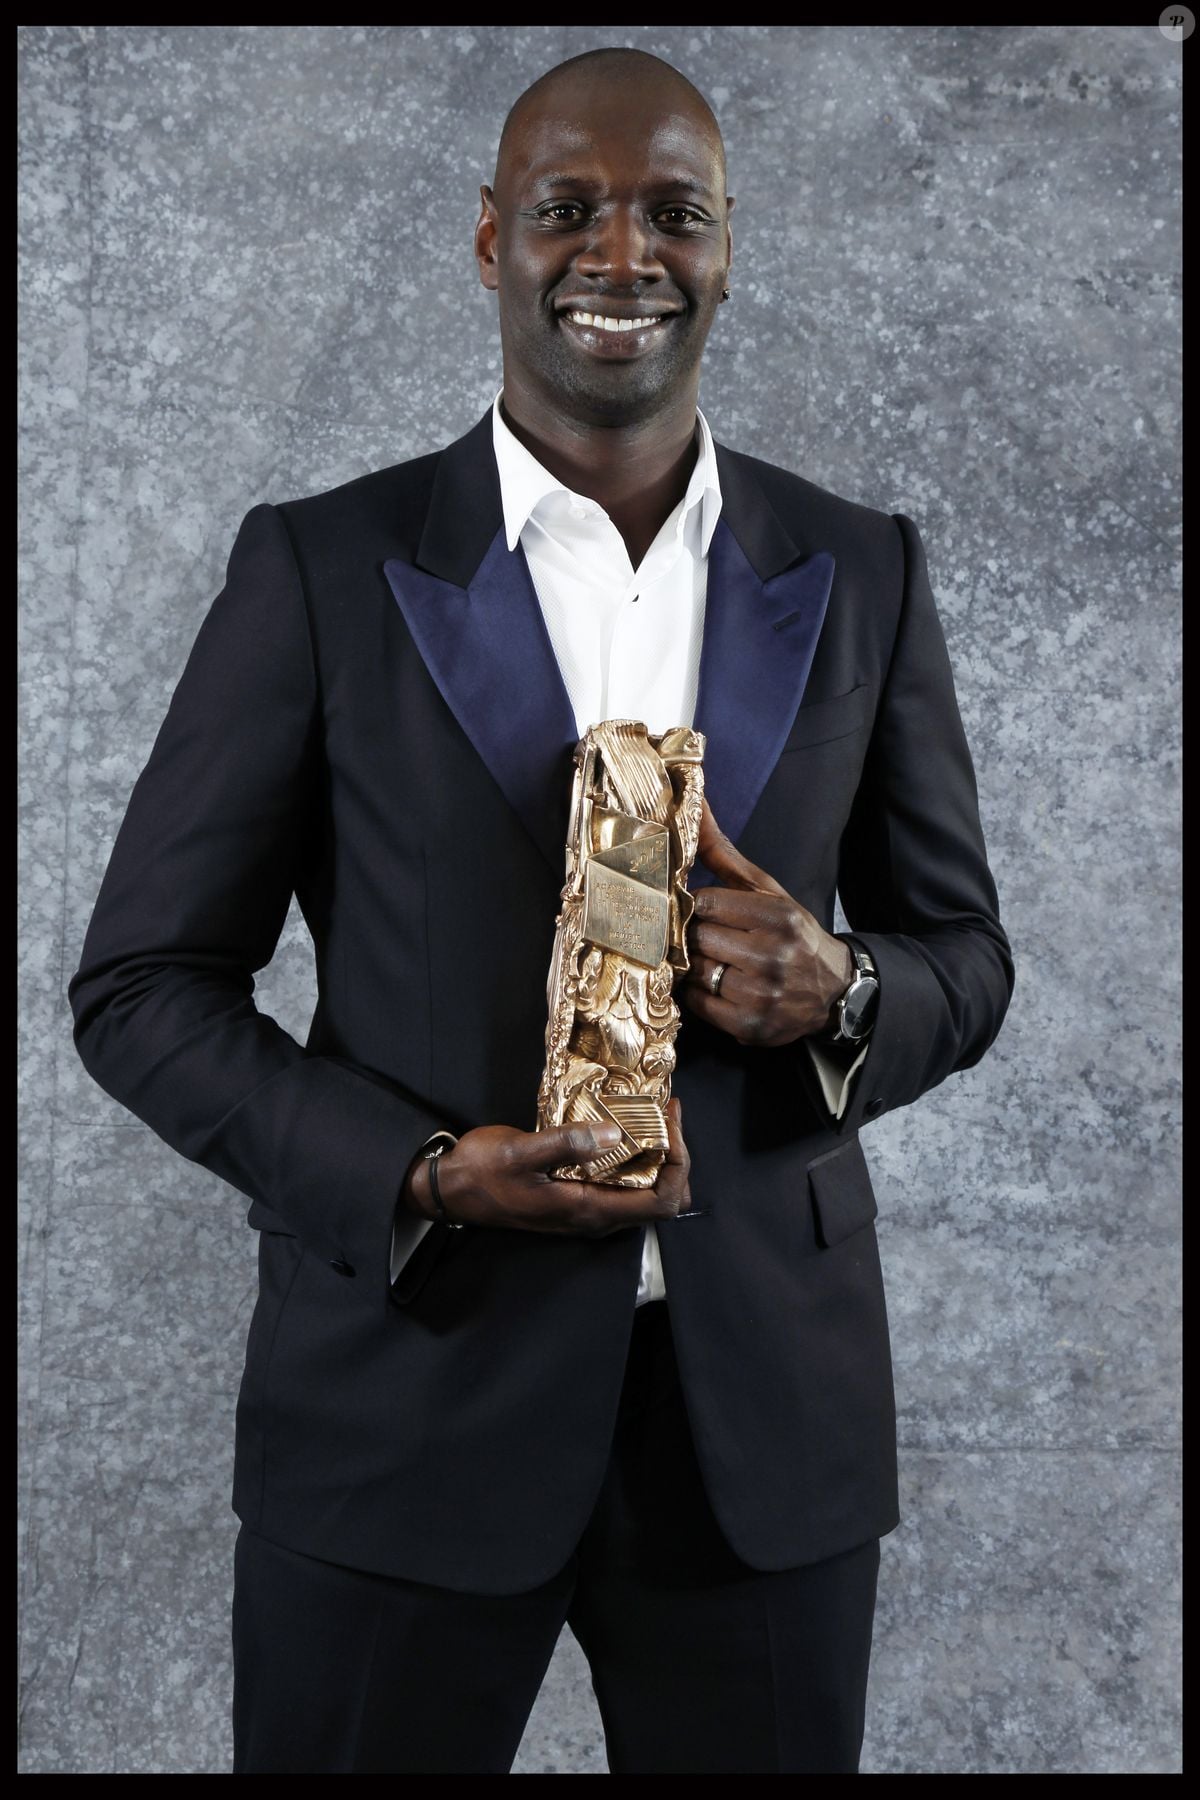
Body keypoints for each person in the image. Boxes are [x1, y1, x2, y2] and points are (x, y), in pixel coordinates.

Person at [67, 46, 1014, 1775]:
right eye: (570, 210)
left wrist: (847, 990)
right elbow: (142, 987)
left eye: (674, 214)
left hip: (760, 1432)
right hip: (406, 1396)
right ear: (491, 236)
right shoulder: (321, 567)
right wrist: (419, 1171)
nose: (621, 257)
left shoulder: (860, 565)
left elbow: (966, 957)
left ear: (731, 246)